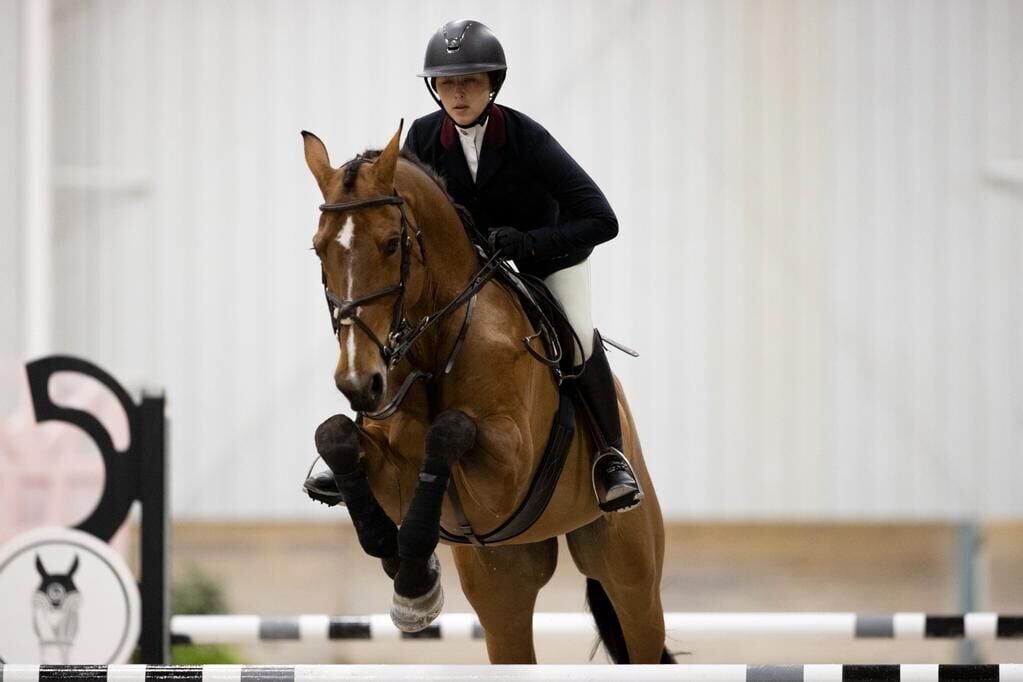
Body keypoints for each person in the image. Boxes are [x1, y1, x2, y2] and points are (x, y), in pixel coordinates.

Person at [305, 19, 641, 513]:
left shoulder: (527, 138)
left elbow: (601, 218)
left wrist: (528, 243)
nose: (457, 93)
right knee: (398, 336)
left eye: (470, 82)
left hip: (544, 263)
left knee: (576, 338)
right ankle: (361, 441)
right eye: (446, 83)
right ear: (434, 88)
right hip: (465, 274)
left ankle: (610, 457)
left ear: (492, 85)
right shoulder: (420, 138)